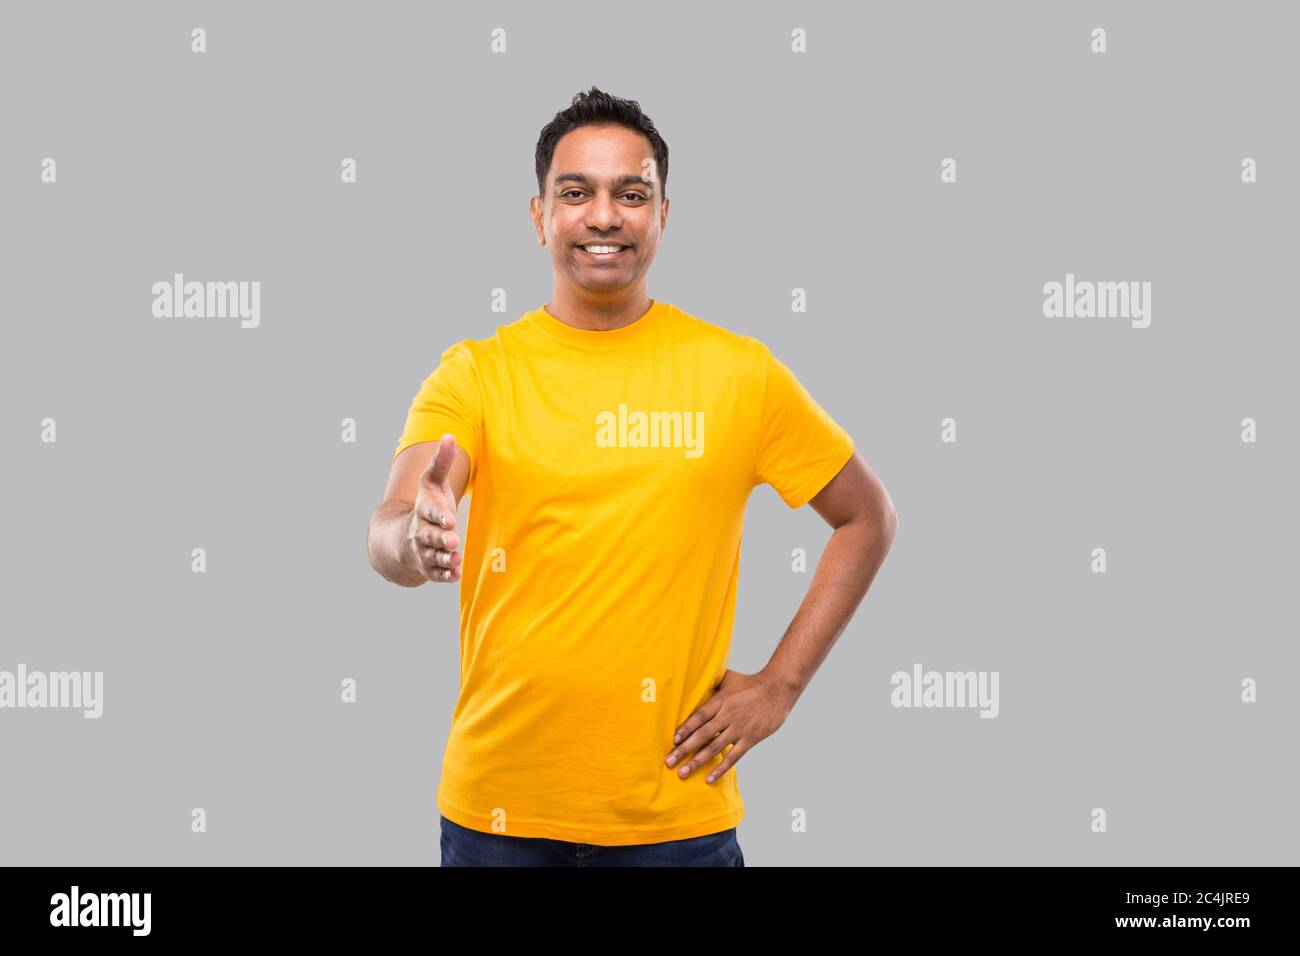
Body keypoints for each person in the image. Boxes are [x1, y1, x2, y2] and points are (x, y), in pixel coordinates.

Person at [367, 87, 898, 866]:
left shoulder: (738, 374)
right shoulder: (477, 374)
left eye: (631, 193)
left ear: (663, 214)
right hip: (498, 818)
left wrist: (781, 686)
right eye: (575, 193)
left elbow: (867, 517)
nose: (604, 216)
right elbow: (390, 524)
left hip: (675, 823)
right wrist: (414, 539)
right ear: (539, 215)